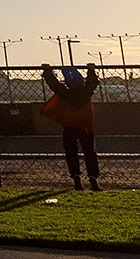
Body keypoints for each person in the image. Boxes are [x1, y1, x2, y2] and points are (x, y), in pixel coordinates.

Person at [41, 62, 100, 191]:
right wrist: (91, 70)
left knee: (71, 152)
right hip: (85, 126)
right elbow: (93, 82)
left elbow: (54, 85)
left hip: (69, 125)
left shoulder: (65, 93)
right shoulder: (87, 92)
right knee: (90, 152)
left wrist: (47, 72)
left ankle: (76, 178)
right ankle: (93, 179)